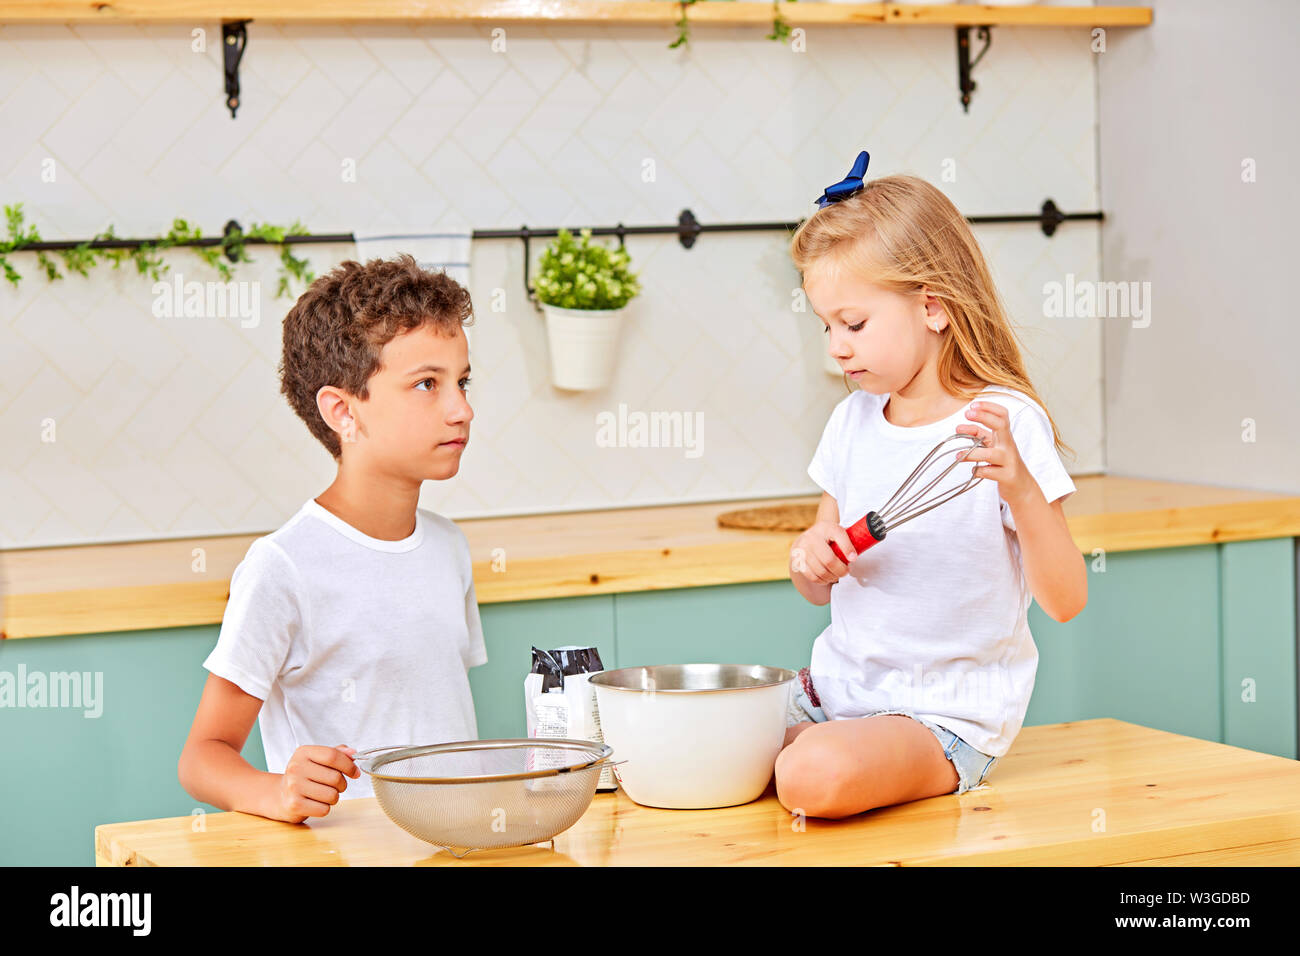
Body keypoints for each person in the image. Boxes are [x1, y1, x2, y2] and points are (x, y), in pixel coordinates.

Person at [778, 151, 1087, 819]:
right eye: (825, 326)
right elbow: (813, 587)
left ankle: (800, 751)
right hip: (834, 692)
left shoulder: (1004, 424)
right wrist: (812, 556)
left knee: (809, 775)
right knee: (678, 742)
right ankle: (799, 741)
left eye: (853, 324)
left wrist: (1023, 492)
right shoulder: (852, 422)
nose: (835, 346)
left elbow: (1066, 601)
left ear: (934, 308)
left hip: (941, 720)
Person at [178, 254, 486, 823]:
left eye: (461, 382)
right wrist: (278, 794)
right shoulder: (283, 568)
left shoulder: (449, 548)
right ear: (342, 411)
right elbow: (202, 757)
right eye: (426, 384)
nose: (461, 410)